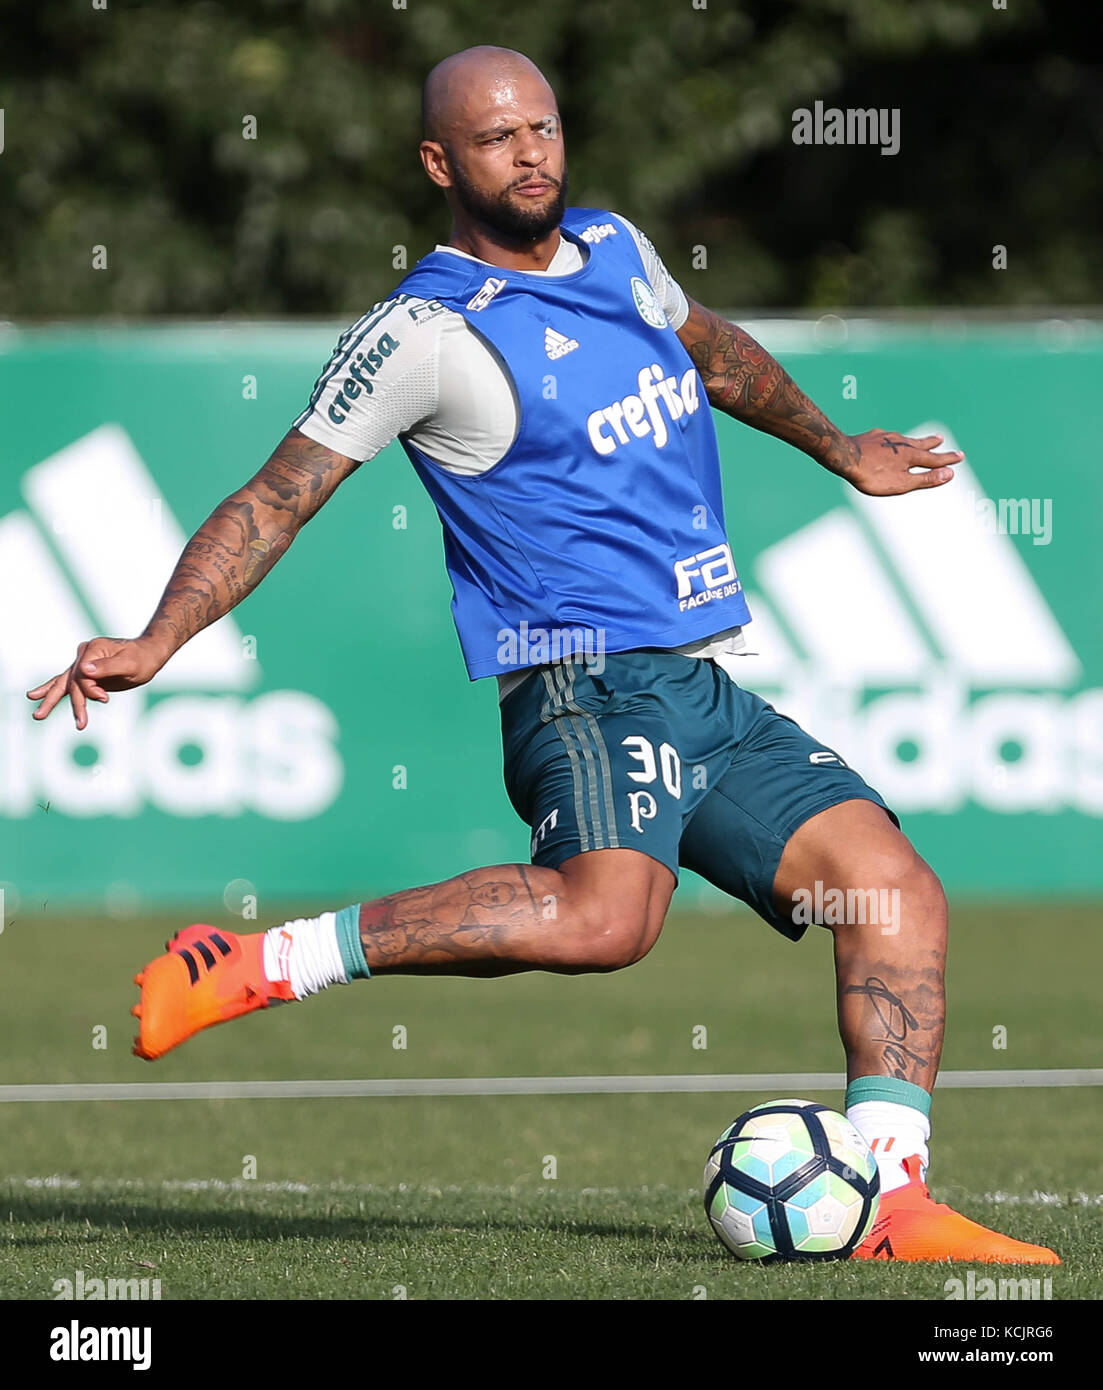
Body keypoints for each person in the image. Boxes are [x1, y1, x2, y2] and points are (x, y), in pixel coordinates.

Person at [27, 46, 1056, 1264]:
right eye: (498, 138)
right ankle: (254, 963)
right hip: (580, 678)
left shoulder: (617, 250)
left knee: (891, 893)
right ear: (438, 162)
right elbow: (277, 496)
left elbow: (710, 347)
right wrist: (159, 635)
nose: (532, 155)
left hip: (694, 680)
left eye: (544, 129)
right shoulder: (422, 330)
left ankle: (888, 1204)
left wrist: (840, 449)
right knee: (605, 922)